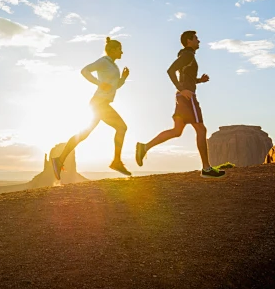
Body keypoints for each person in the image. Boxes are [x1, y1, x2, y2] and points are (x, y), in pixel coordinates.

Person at [135, 30, 225, 178]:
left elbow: (185, 77)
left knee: (177, 131)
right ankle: (206, 169)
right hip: (187, 97)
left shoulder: (186, 56)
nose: (199, 41)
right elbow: (170, 71)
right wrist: (182, 89)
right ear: (189, 41)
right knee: (201, 130)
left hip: (182, 97)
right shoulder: (187, 55)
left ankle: (144, 147)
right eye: (196, 38)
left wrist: (198, 81)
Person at [50, 37, 132, 180]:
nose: (122, 52)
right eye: (120, 49)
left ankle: (59, 159)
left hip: (101, 103)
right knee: (121, 127)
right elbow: (84, 71)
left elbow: (114, 86)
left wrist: (123, 78)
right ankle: (116, 162)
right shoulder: (104, 61)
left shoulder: (113, 66)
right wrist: (99, 83)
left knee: (83, 134)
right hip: (99, 103)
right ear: (112, 50)